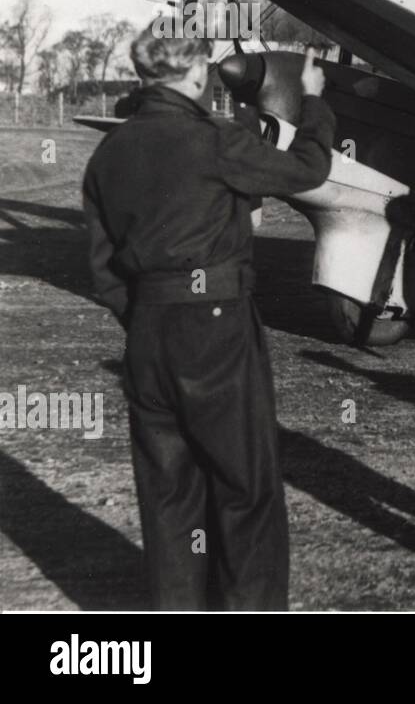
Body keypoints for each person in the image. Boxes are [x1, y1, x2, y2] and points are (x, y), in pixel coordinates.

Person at [82, 31, 336, 609]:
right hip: (216, 328)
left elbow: (103, 269)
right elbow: (308, 169)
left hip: (148, 333)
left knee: (168, 499)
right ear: (197, 76)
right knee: (245, 491)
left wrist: (148, 317)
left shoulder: (108, 154)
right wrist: (315, 101)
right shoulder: (215, 141)